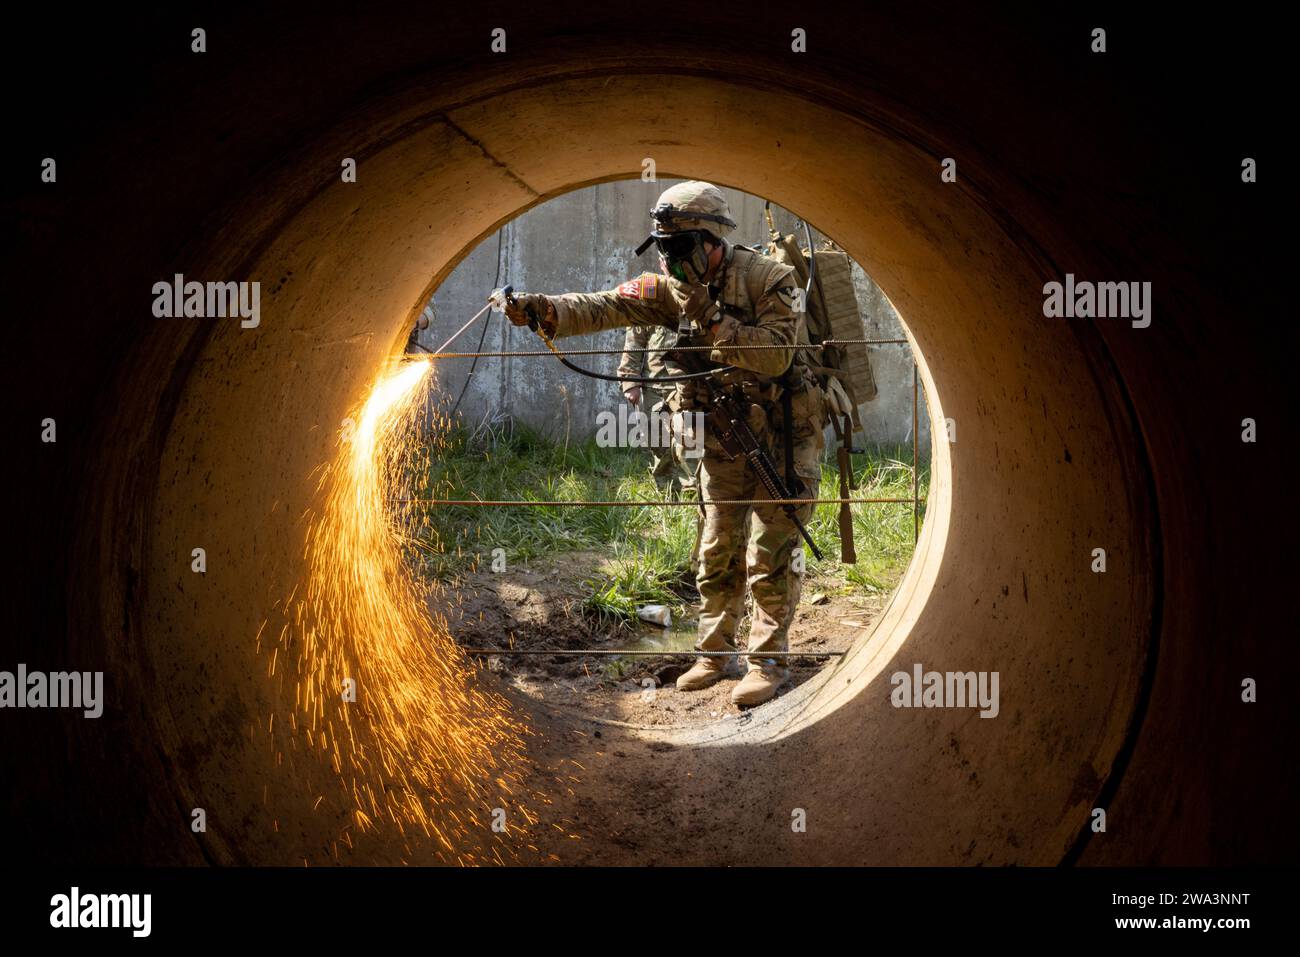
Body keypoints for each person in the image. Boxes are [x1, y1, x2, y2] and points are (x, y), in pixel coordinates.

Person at [505, 181, 826, 707]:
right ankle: (714, 654)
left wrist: (712, 317)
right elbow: (606, 305)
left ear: (713, 240)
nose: (673, 260)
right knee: (718, 545)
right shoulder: (669, 290)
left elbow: (776, 358)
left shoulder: (771, 279)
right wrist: (543, 309)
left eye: (682, 248)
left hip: (783, 435)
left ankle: (768, 662)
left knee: (771, 550)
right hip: (721, 431)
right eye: (664, 248)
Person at [617, 323, 697, 498]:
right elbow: (634, 340)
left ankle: (692, 496)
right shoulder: (652, 301)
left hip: (689, 385)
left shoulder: (700, 299)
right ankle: (668, 495)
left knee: (689, 442)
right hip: (655, 387)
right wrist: (630, 381)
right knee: (659, 443)